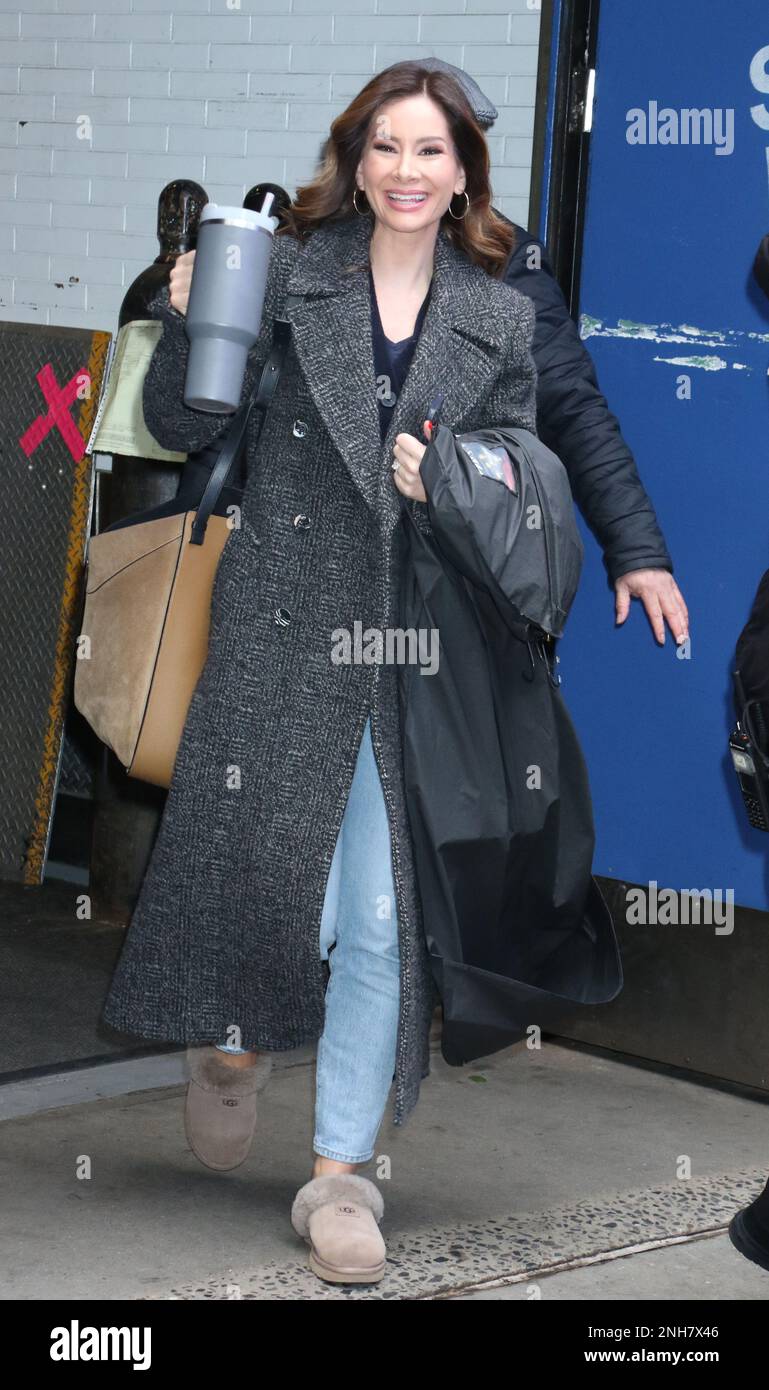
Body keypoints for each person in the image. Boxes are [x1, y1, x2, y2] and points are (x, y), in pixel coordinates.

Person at [101, 61, 541, 1286]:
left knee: (384, 915)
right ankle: (234, 1042)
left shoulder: (498, 315)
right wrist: (192, 320)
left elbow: (519, 468)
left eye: (432, 151)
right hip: (285, 618)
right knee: (263, 876)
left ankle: (340, 1174)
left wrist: (452, 478)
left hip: (414, 637)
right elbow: (188, 425)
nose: (408, 171)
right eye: (386, 147)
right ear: (355, 159)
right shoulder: (286, 271)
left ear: (463, 174)